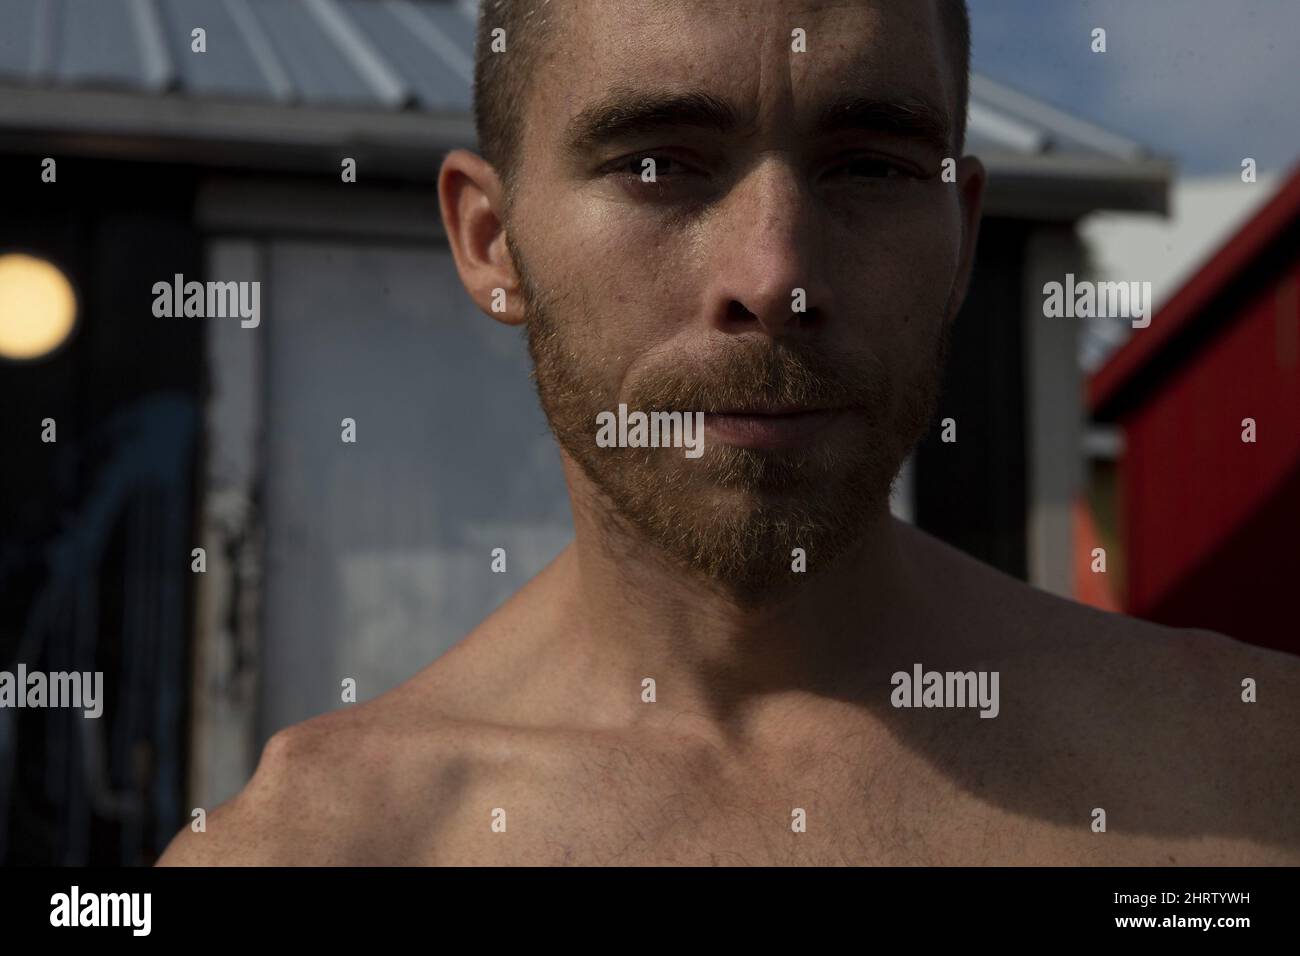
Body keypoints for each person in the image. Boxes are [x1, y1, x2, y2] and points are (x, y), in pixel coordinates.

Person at [159, 0, 1299, 866]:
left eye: (867, 165)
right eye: (657, 164)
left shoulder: (1247, 765)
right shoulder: (316, 844)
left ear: (959, 237)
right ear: (491, 240)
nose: (775, 275)